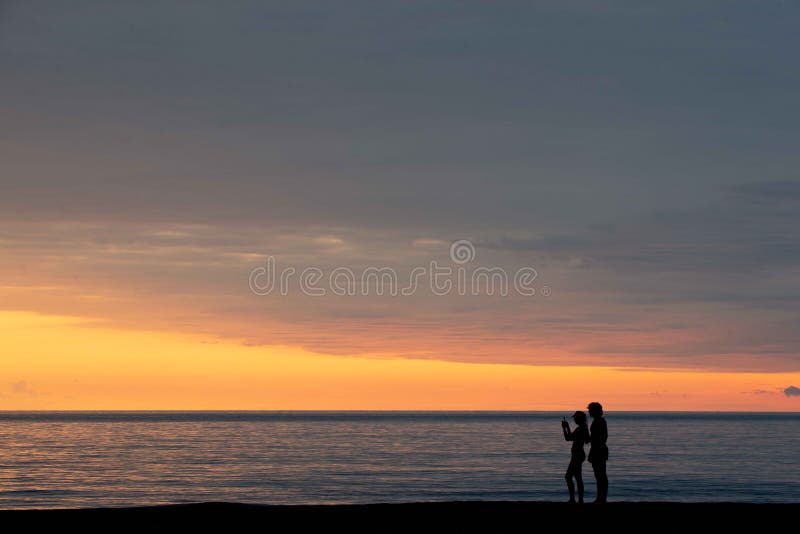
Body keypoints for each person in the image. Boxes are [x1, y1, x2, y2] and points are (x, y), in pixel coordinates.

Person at [561, 410, 590, 504]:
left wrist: (565, 428)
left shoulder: (581, 428)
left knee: (568, 476)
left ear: (579, 419)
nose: (575, 420)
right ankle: (578, 499)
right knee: (577, 477)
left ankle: (573, 499)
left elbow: (569, 438)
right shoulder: (582, 428)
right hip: (578, 454)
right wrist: (566, 427)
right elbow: (569, 438)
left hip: (577, 455)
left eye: (576, 418)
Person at [587, 402, 608, 503]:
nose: (589, 412)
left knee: (600, 475)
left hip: (598, 450)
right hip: (599, 449)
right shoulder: (600, 421)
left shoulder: (598, 421)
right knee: (600, 475)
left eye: (590, 410)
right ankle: (601, 497)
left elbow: (598, 438)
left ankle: (601, 498)